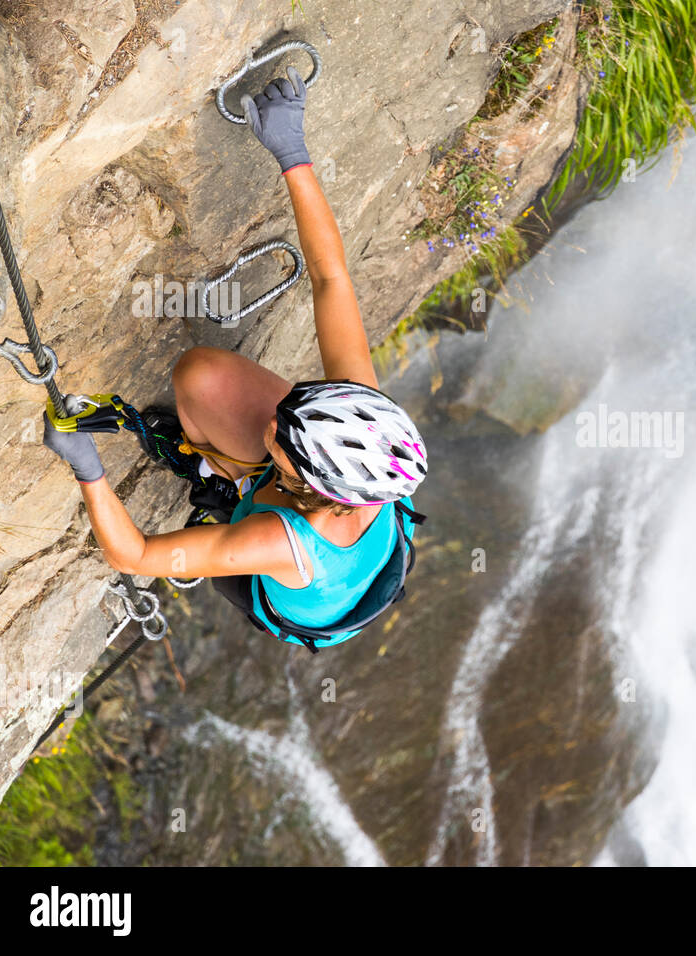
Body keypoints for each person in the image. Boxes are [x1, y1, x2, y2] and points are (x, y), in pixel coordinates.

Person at [41, 66, 428, 648]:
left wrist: (87, 468)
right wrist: (294, 154)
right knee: (201, 374)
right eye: (294, 407)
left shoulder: (274, 543)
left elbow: (138, 553)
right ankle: (227, 469)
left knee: (224, 514)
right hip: (317, 504)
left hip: (287, 589)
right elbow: (330, 279)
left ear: (308, 481)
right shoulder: (362, 422)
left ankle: (217, 483)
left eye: (281, 435)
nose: (275, 413)